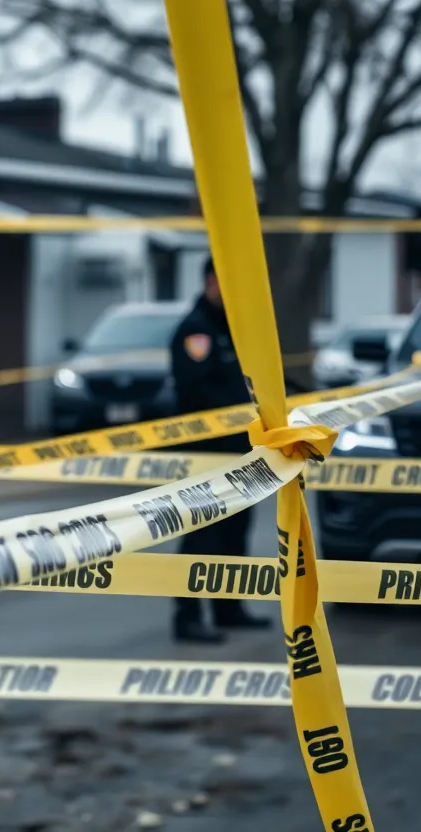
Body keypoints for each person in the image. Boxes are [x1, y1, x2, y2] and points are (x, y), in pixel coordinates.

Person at [167, 255, 272, 644]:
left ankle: (229, 608)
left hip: (238, 453)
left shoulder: (232, 328)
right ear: (211, 280)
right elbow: (196, 392)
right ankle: (188, 617)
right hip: (205, 454)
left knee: (235, 531)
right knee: (201, 536)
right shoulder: (195, 332)